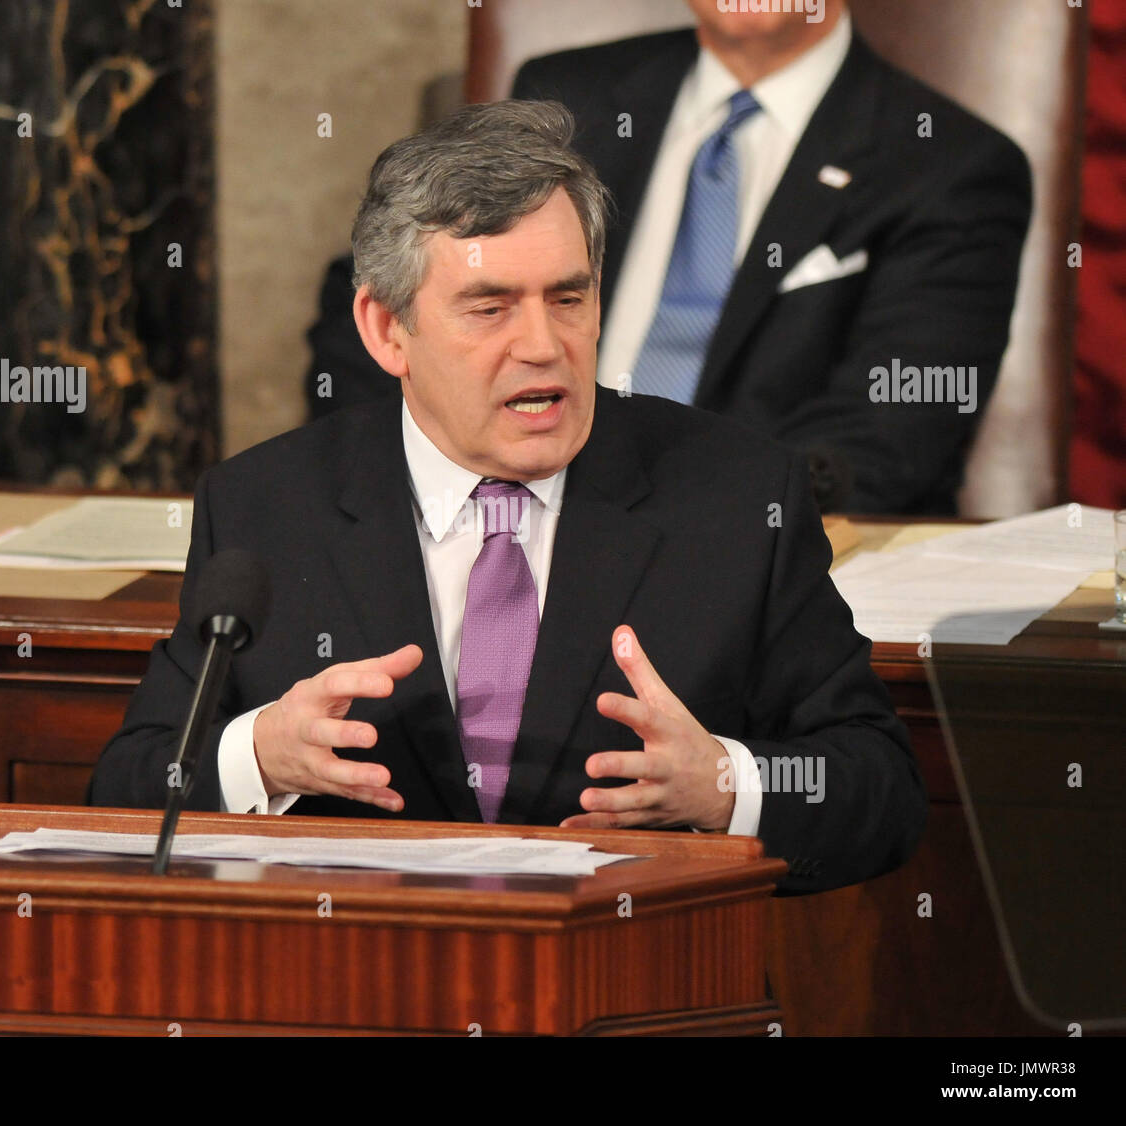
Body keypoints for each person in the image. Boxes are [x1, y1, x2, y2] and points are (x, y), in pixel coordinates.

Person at [92, 100, 926, 894]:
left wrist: (724, 787)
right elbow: (124, 797)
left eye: (569, 299)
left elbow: (880, 790)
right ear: (387, 330)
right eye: (489, 308)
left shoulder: (738, 499)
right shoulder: (267, 507)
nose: (543, 346)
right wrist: (259, 758)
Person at [303, 0, 1032, 514]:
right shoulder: (568, 96)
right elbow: (383, 292)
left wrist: (654, 521)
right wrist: (424, 484)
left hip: (758, 557)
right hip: (502, 517)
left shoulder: (949, 163)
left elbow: (894, 424)